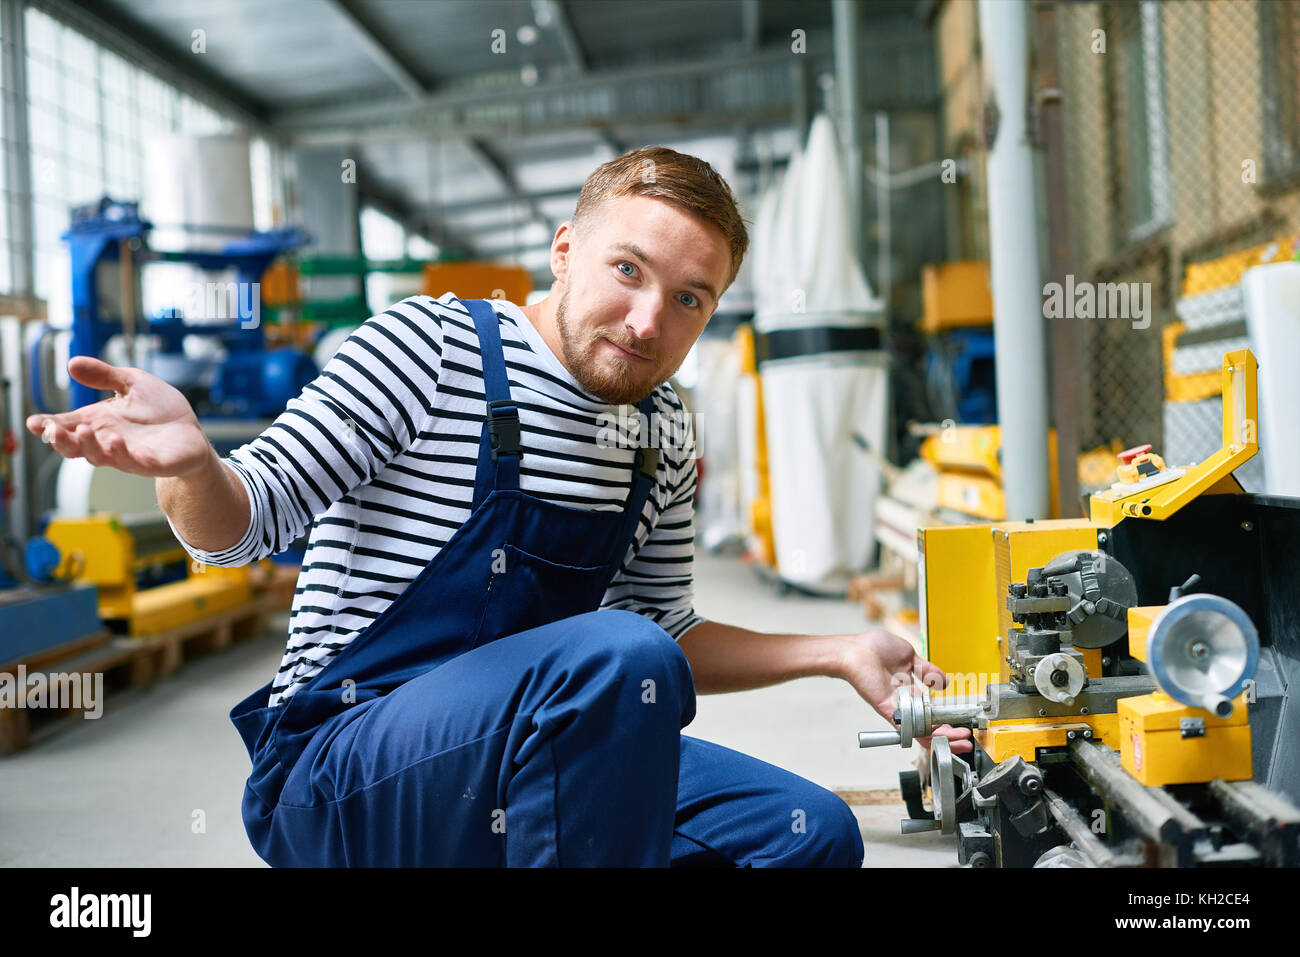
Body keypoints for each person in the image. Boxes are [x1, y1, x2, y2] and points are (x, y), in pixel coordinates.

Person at [27, 146, 970, 867]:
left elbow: (667, 633)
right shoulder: (430, 350)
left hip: (535, 759)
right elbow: (247, 523)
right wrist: (194, 468)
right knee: (615, 657)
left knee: (808, 833)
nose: (649, 321)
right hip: (341, 769)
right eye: (628, 270)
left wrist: (836, 651)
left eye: (690, 298)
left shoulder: (662, 427)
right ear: (564, 251)